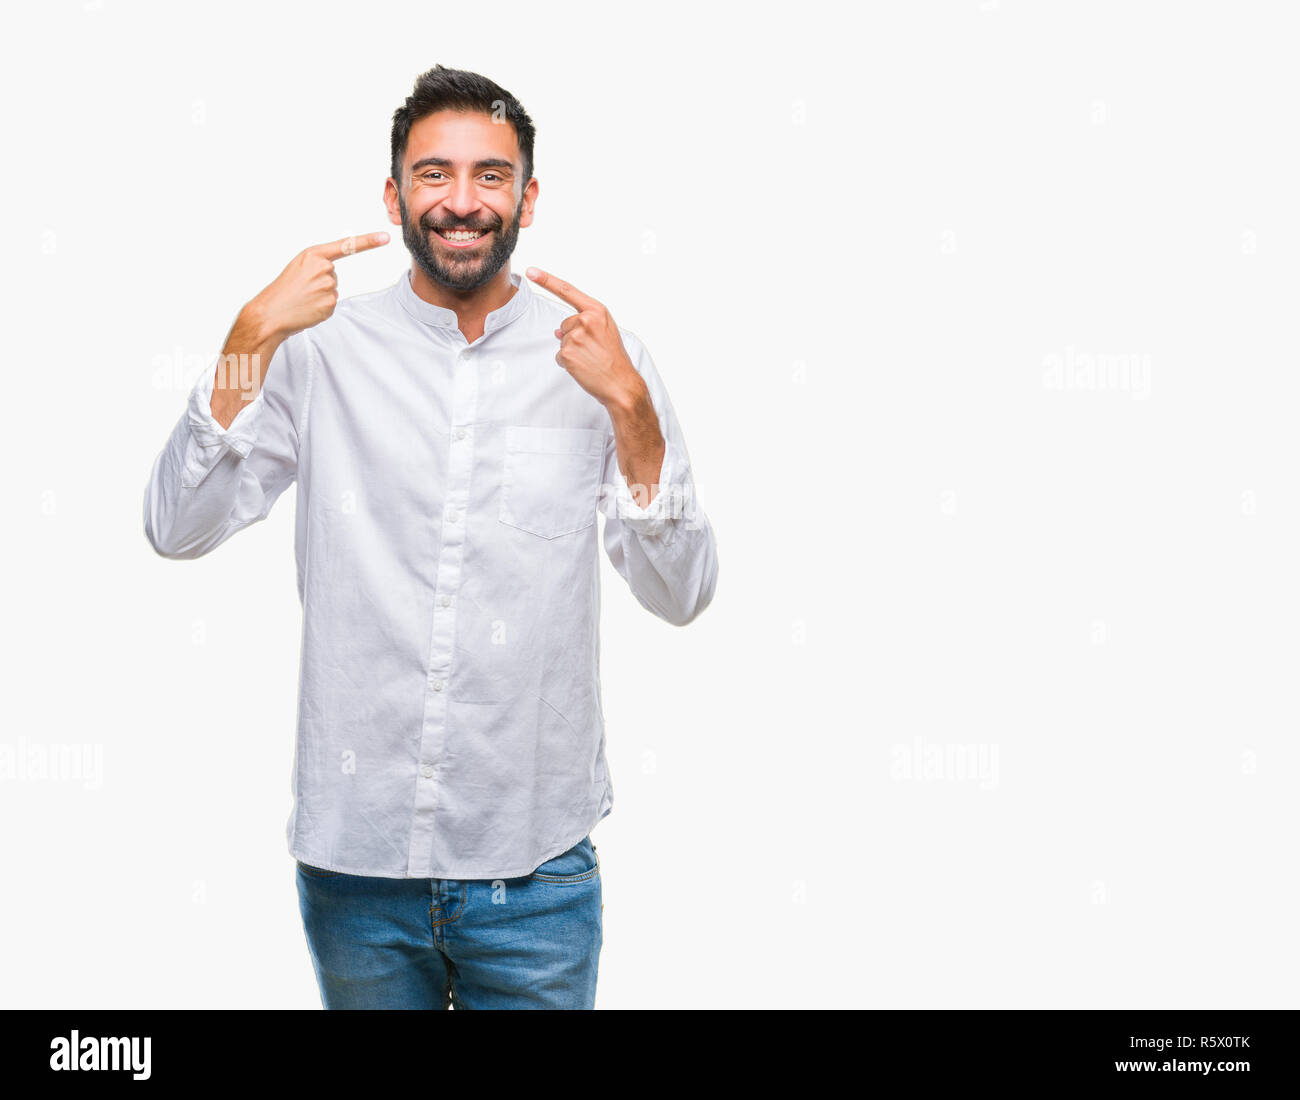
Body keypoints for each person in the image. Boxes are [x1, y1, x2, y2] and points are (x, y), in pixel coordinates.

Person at [142, 64, 719, 1009]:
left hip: (534, 870)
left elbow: (682, 595)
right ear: (394, 194)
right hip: (357, 866)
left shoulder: (604, 358)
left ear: (529, 199)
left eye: (491, 176)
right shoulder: (314, 352)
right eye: (433, 174)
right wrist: (248, 336)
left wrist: (633, 412)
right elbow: (177, 528)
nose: (461, 202)